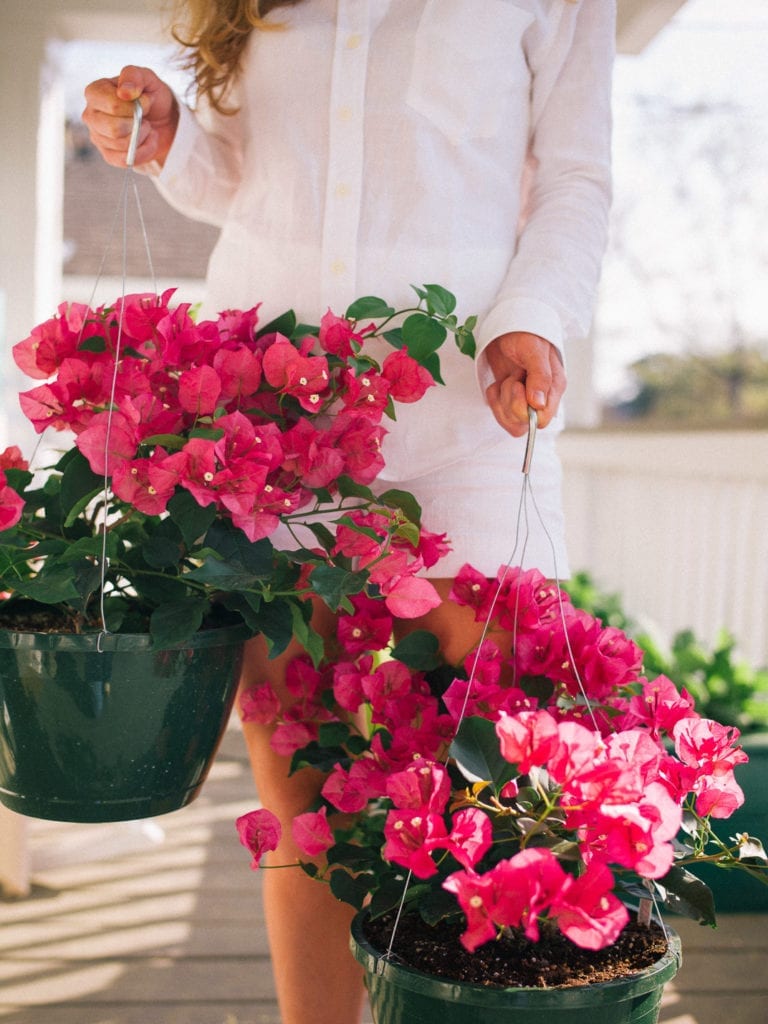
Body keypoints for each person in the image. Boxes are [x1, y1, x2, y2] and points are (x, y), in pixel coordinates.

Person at [82, 2, 614, 1021]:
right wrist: (169, 136)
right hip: (272, 419)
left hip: (469, 411)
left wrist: (536, 317)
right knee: (299, 802)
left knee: (502, 798)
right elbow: (245, 173)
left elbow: (575, 177)